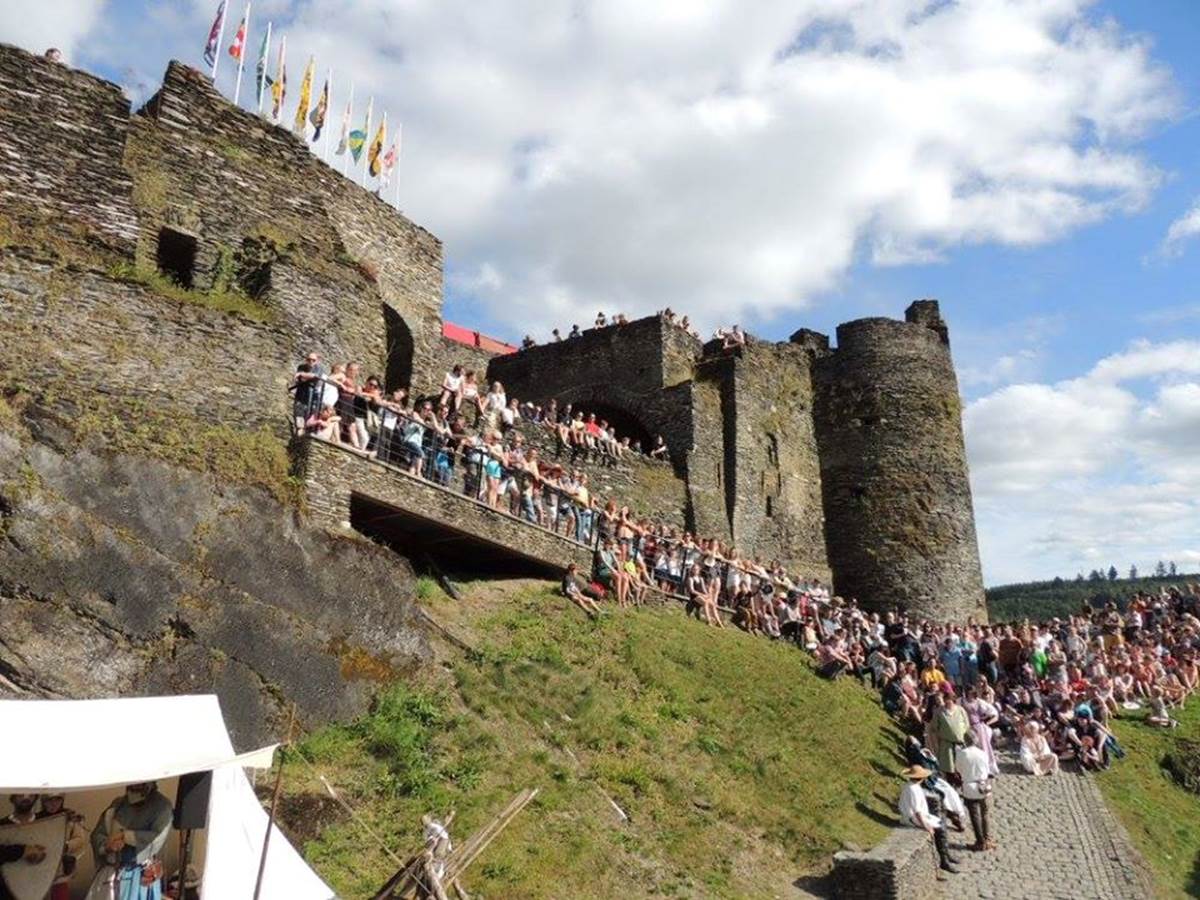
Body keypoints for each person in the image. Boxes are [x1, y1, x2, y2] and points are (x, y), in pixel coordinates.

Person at [89, 782, 173, 900]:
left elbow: (156, 838)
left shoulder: (162, 806)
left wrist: (126, 837)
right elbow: (97, 834)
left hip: (138, 876)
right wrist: (107, 845)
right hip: (111, 872)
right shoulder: (118, 804)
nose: (135, 786)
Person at [898, 766, 959, 874]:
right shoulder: (913, 789)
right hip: (912, 818)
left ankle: (945, 854)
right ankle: (944, 860)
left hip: (915, 815)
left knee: (941, 823)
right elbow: (917, 811)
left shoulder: (912, 786)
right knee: (940, 829)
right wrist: (926, 826)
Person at [39, 793, 87, 900]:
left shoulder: (70, 817)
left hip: (61, 869)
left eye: (57, 800)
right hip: (40, 868)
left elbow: (80, 840)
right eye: (49, 800)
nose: (53, 804)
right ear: (44, 801)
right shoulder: (37, 819)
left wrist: (65, 846)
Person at [954, 731, 994, 852]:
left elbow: (958, 769)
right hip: (983, 785)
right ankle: (987, 838)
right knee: (985, 814)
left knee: (975, 815)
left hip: (970, 786)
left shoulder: (962, 754)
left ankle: (980, 841)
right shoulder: (983, 753)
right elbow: (987, 769)